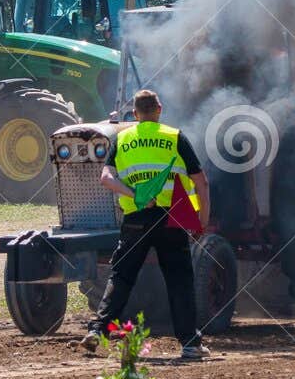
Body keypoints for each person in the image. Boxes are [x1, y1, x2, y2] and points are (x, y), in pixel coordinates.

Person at [83, 89, 212, 360]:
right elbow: (201, 181)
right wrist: (202, 220)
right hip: (173, 218)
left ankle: (97, 331)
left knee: (121, 276)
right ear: (159, 109)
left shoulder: (122, 138)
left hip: (136, 219)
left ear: (135, 114)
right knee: (179, 280)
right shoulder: (175, 137)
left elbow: (106, 178)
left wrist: (137, 195)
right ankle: (190, 344)